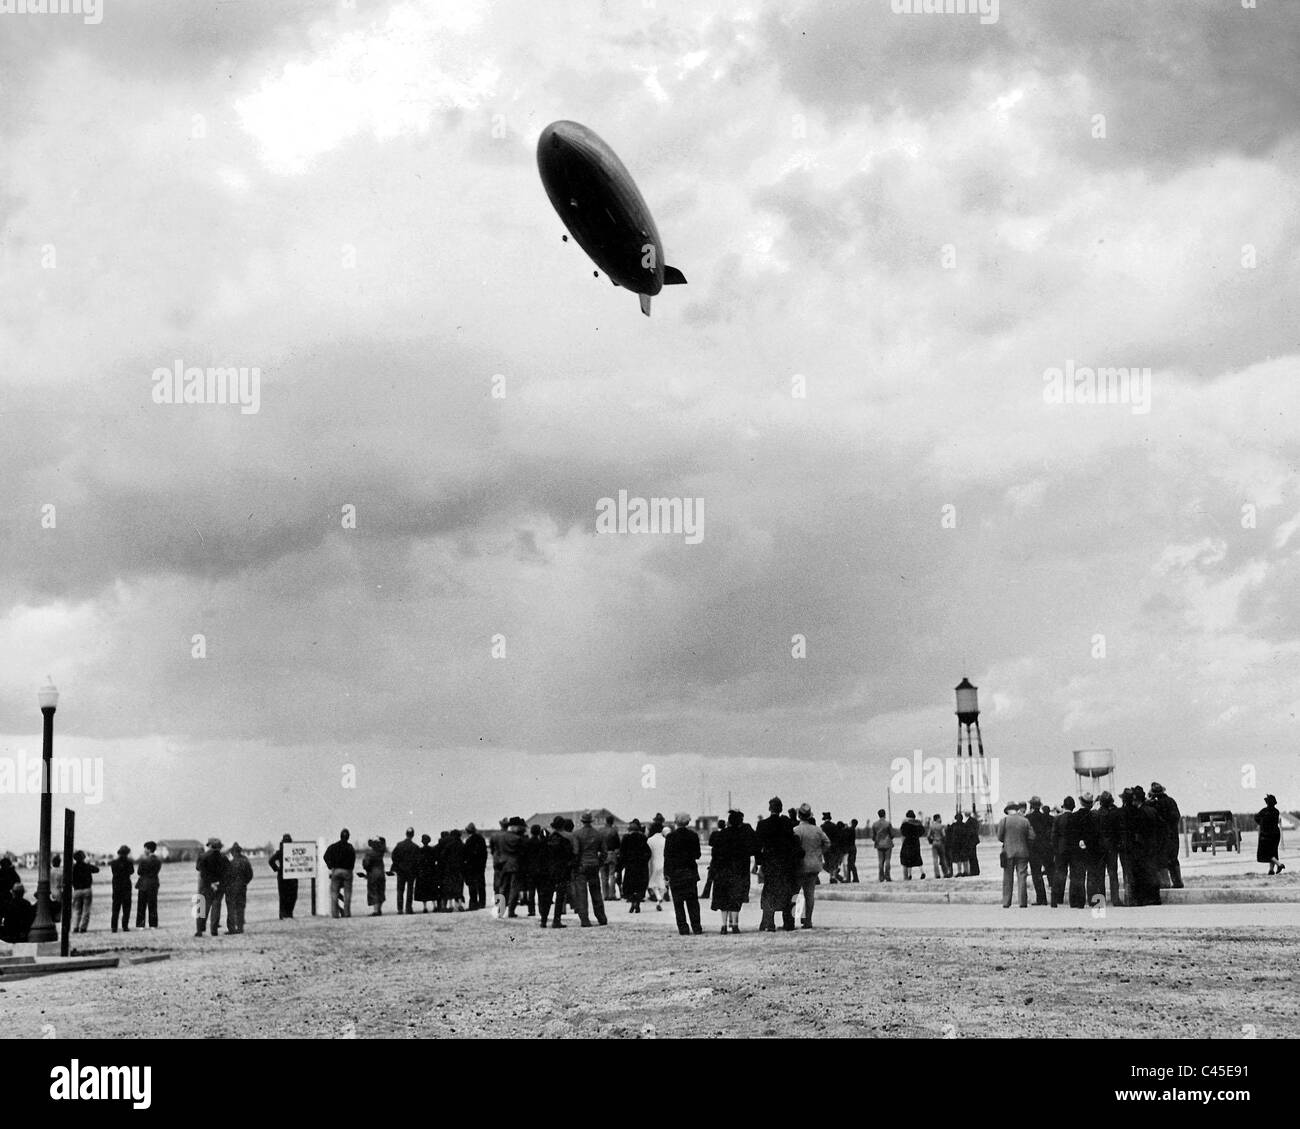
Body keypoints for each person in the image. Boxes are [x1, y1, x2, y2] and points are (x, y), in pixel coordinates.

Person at [755, 796, 800, 932]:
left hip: (770, 863)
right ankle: (789, 923)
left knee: (769, 891)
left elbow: (758, 846)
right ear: (781, 809)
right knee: (788, 892)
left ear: (770, 808)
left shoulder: (763, 824)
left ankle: (769, 922)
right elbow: (792, 841)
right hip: (786, 863)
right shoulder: (786, 823)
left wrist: (759, 862)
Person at [664, 812, 703, 936]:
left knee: (678, 903)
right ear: (688, 822)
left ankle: (683, 928)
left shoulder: (670, 837)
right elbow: (698, 855)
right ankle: (696, 927)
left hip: (675, 873)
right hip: (690, 872)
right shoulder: (693, 835)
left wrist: (666, 874)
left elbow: (667, 857)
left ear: (676, 821)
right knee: (693, 902)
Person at [794, 804, 831, 928]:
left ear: (799, 815)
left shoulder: (796, 830)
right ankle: (808, 920)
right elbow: (827, 843)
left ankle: (796, 918)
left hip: (799, 866)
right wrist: (819, 852)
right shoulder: (817, 830)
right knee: (809, 894)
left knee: (796, 894)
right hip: (814, 865)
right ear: (810, 815)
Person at [570, 811, 608, 927]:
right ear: (591, 821)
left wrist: (575, 865)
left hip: (582, 865)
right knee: (596, 892)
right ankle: (601, 918)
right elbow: (604, 852)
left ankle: (585, 920)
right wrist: (599, 863)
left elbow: (576, 852)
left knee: (582, 894)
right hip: (594, 865)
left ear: (582, 821)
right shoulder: (598, 834)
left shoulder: (577, 834)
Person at [1127, 786, 1163, 906]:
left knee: (1143, 873)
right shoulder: (1152, 810)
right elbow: (1161, 826)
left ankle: (1146, 898)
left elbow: (1138, 831)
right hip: (1153, 845)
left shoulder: (1140, 812)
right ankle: (1155, 897)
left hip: (1143, 847)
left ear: (1136, 799)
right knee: (1152, 871)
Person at [996, 802, 1034, 908]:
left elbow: (999, 837)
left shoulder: (1004, 821)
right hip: (1023, 852)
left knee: (1007, 878)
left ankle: (1006, 902)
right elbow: (1032, 836)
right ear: (1016, 809)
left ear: (1008, 810)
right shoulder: (1025, 821)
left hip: (1008, 852)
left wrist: (1008, 841)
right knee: (1022, 877)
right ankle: (1022, 902)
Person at [539, 816, 574, 928]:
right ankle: (556, 920)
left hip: (548, 873)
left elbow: (542, 857)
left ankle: (543, 920)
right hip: (561, 872)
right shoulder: (565, 841)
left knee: (547, 897)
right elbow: (570, 857)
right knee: (560, 897)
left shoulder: (546, 840)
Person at [1148, 783, 1183, 889]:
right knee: (1173, 859)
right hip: (1173, 836)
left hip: (1160, 837)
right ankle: (1177, 882)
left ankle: (1165, 883)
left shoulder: (1154, 804)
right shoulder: (1171, 801)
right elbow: (1176, 817)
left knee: (1161, 860)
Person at [196, 836, 229, 936]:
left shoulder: (202, 856)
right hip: (219, 886)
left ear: (210, 846)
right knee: (216, 907)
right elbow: (227, 871)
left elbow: (199, 869)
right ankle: (214, 930)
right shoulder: (224, 858)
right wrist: (217, 882)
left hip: (205, 886)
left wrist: (211, 882)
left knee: (202, 908)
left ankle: (200, 930)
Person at [1077, 792, 1106, 902]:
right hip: (1094, 848)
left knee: (1085, 874)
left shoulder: (1078, 816)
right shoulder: (1095, 816)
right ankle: (1095, 898)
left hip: (1083, 848)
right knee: (1094, 874)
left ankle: (1086, 898)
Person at [1096, 792, 1125, 906]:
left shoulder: (1097, 814)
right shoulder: (1116, 813)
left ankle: (1100, 901)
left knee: (1100, 875)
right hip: (1112, 847)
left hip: (1100, 848)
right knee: (1113, 874)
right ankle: (1115, 899)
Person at [1025, 797, 1053, 905]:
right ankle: (1054, 898)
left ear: (1031, 806)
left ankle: (1041, 899)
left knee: (1036, 874)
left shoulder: (1028, 818)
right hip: (1046, 848)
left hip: (1034, 849)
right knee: (1050, 872)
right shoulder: (1046, 817)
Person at [619, 819, 651, 912]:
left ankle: (632, 900)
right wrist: (644, 861)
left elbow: (622, 853)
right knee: (640, 885)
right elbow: (648, 852)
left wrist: (621, 866)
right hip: (641, 866)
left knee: (630, 885)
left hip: (630, 866)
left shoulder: (626, 838)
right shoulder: (643, 838)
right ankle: (638, 900)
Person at [323, 829, 356, 919]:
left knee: (334, 893)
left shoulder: (333, 847)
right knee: (347, 893)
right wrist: (350, 868)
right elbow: (353, 859)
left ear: (340, 836)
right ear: (348, 837)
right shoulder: (350, 847)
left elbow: (325, 856)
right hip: (347, 871)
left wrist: (330, 866)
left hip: (336, 870)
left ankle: (335, 914)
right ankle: (346, 913)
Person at [267, 833, 299, 919]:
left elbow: (271, 861)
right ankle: (288, 913)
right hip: (292, 875)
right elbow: (271, 861)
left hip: (283, 876)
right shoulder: (291, 851)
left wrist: (277, 869)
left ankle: (284, 914)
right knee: (292, 895)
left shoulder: (280, 851)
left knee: (284, 896)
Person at [225, 843, 254, 934]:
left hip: (232, 888)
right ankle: (240, 928)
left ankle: (232, 928)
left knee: (231, 908)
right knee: (240, 907)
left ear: (233, 852)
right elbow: (250, 875)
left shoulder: (231, 863)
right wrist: (245, 882)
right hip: (242, 887)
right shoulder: (245, 862)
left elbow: (227, 877)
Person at [390, 828, 420, 914]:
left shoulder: (399, 845)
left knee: (400, 890)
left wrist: (398, 865)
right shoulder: (415, 847)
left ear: (406, 834)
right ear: (413, 835)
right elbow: (418, 860)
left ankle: (400, 909)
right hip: (411, 872)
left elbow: (394, 857)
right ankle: (408, 908)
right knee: (410, 890)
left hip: (401, 871)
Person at [70, 850, 98, 933]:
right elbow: (97, 869)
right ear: (83, 857)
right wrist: (88, 863)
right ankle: (83, 927)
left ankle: (75, 926)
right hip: (87, 889)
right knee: (86, 910)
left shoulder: (73, 868)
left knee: (76, 909)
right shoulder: (87, 866)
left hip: (77, 890)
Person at [108, 845, 135, 933]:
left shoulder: (113, 863)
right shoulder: (129, 862)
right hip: (126, 885)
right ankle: (125, 926)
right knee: (126, 908)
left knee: (115, 907)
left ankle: (114, 927)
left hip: (116, 886)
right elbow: (131, 871)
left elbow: (113, 872)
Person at [135, 841, 161, 928]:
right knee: (153, 905)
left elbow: (139, 872)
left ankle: (140, 924)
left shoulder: (144, 860)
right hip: (154, 883)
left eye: (145, 848)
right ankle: (153, 924)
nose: (144, 850)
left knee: (141, 905)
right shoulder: (158, 860)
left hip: (143, 884)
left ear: (149, 849)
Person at [1257, 794, 1285, 875]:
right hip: (1276, 833)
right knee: (1273, 852)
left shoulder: (1264, 811)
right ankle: (1271, 870)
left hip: (1266, 834)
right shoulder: (1276, 811)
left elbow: (1256, 817)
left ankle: (1279, 865)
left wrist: (1260, 823)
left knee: (1266, 852)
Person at [463, 823, 488, 910]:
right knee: (481, 885)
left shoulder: (468, 841)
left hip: (471, 867)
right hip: (480, 866)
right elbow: (485, 853)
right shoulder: (481, 839)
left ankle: (473, 903)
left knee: (472, 886)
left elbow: (466, 854)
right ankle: (482, 902)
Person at [360, 837, 387, 916]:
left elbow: (366, 864)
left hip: (373, 874)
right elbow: (383, 842)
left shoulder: (369, 853)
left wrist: (367, 871)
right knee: (381, 891)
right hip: (381, 873)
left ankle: (375, 911)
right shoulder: (381, 853)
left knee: (373, 892)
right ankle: (379, 909)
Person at [442, 828, 466, 911]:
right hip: (460, 868)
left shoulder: (449, 845)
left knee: (450, 887)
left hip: (450, 869)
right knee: (459, 887)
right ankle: (460, 904)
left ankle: (450, 905)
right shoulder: (462, 845)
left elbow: (443, 856)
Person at [413, 834, 439, 911]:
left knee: (423, 890)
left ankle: (425, 907)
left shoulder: (419, 850)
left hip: (422, 872)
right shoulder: (432, 850)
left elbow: (417, 861)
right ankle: (434, 906)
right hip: (431, 872)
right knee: (432, 889)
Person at [647, 819, 669, 910]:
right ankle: (661, 896)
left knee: (654, 883)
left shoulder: (649, 840)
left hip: (653, 863)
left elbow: (648, 854)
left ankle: (658, 896)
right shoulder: (665, 840)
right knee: (663, 883)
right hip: (664, 862)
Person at [599, 814, 622, 902]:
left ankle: (605, 895)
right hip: (612, 853)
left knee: (603, 876)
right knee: (612, 875)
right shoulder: (614, 831)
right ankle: (612, 894)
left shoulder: (600, 831)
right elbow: (618, 844)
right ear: (612, 822)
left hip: (602, 854)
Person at [489, 818, 511, 906]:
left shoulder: (494, 835)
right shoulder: (510, 835)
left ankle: (497, 898)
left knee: (497, 880)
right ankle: (506, 898)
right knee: (506, 881)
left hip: (497, 860)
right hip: (507, 861)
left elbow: (491, 849)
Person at [898, 810, 926, 880]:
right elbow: (922, 831)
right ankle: (922, 872)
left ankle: (909, 875)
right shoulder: (918, 823)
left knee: (908, 859)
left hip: (907, 842)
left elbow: (902, 832)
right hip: (916, 842)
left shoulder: (905, 823)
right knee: (917, 857)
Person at [870, 809, 895, 882]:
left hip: (879, 844)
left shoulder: (875, 824)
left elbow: (873, 836)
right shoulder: (888, 823)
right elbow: (892, 834)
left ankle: (881, 877)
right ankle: (887, 876)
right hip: (888, 844)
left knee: (880, 861)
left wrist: (876, 840)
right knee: (887, 860)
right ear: (884, 814)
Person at [926, 814, 949, 879]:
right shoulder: (941, 826)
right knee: (943, 858)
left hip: (934, 843)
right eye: (940, 818)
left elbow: (928, 835)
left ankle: (937, 874)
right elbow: (944, 835)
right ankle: (945, 873)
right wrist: (944, 841)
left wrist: (930, 841)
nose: (941, 819)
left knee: (935, 860)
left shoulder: (931, 826)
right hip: (940, 843)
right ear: (937, 818)